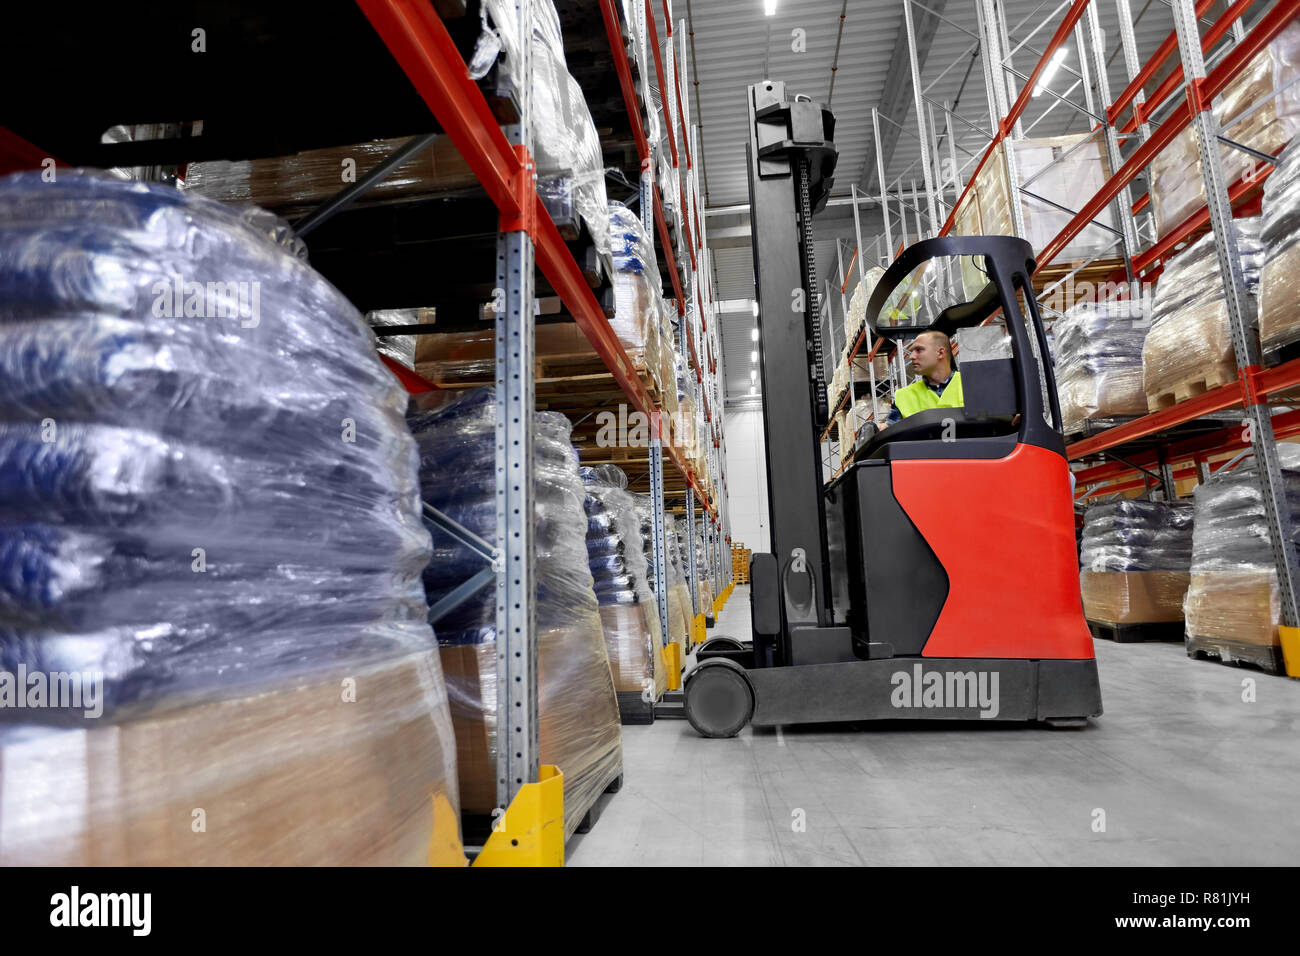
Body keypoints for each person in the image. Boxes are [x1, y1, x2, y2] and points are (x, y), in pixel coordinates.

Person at [883, 331, 962, 427]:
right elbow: (890, 429)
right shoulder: (903, 396)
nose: (911, 356)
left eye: (919, 350)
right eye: (912, 351)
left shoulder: (973, 385)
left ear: (940, 353)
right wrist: (882, 428)